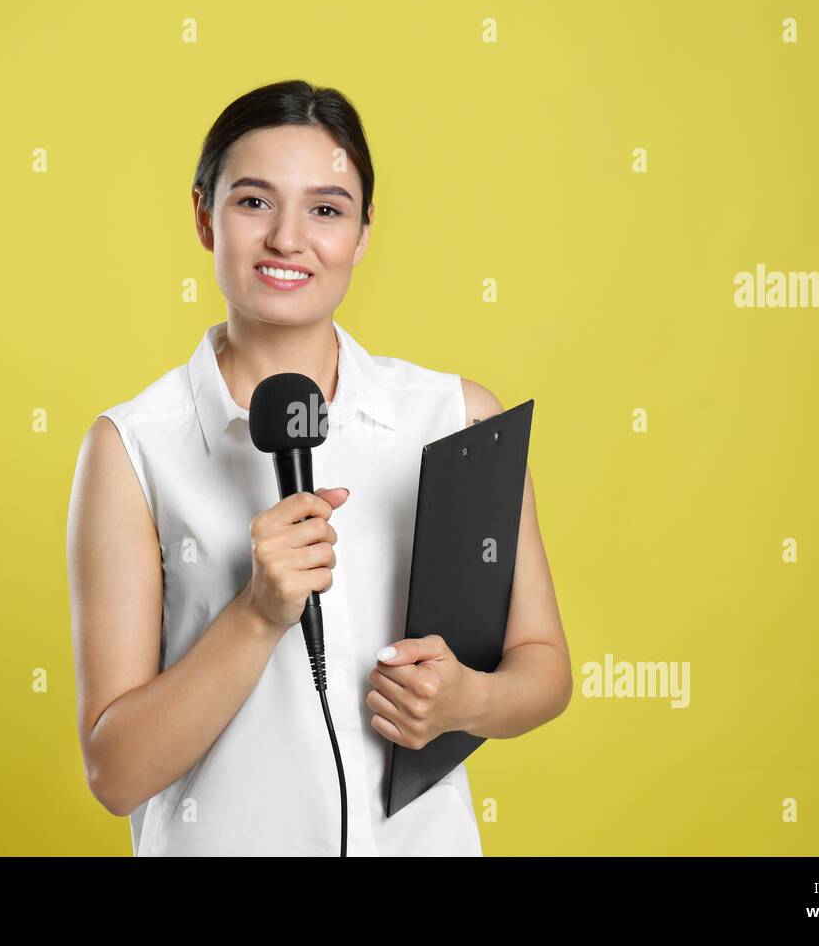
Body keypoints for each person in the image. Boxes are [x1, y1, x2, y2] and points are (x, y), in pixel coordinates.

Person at [67, 80, 571, 856]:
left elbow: (543, 670)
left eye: (327, 209)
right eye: (254, 202)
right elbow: (116, 771)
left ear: (364, 232)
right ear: (205, 216)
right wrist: (257, 612)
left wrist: (466, 699)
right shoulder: (132, 446)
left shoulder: (457, 417)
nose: (288, 240)